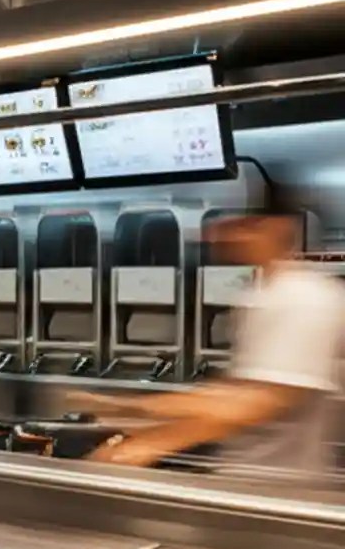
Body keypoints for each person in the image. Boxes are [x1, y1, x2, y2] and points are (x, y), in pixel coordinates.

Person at [73, 205, 345, 483]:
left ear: (276, 228)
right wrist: (127, 409)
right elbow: (231, 394)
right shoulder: (261, 294)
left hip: (281, 487)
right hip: (241, 477)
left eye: (241, 226)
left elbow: (262, 402)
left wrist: (149, 443)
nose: (217, 236)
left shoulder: (307, 298)